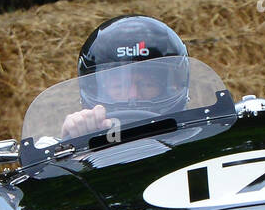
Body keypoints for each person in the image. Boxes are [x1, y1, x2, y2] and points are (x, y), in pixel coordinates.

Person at [60, 15, 191, 140]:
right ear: (96, 88)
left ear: (169, 88)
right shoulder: (82, 143)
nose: (133, 96)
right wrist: (74, 142)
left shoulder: (194, 136)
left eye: (147, 85)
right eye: (120, 86)